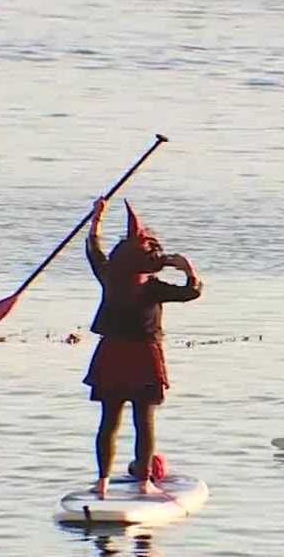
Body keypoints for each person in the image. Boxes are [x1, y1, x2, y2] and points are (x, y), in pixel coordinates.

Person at [84, 197, 202, 497]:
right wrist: (188, 269)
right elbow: (191, 293)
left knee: (109, 422)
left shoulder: (109, 275)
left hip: (110, 355)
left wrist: (97, 220)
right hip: (143, 358)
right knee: (144, 422)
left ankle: (103, 483)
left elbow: (93, 250)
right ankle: (145, 482)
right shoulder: (153, 287)